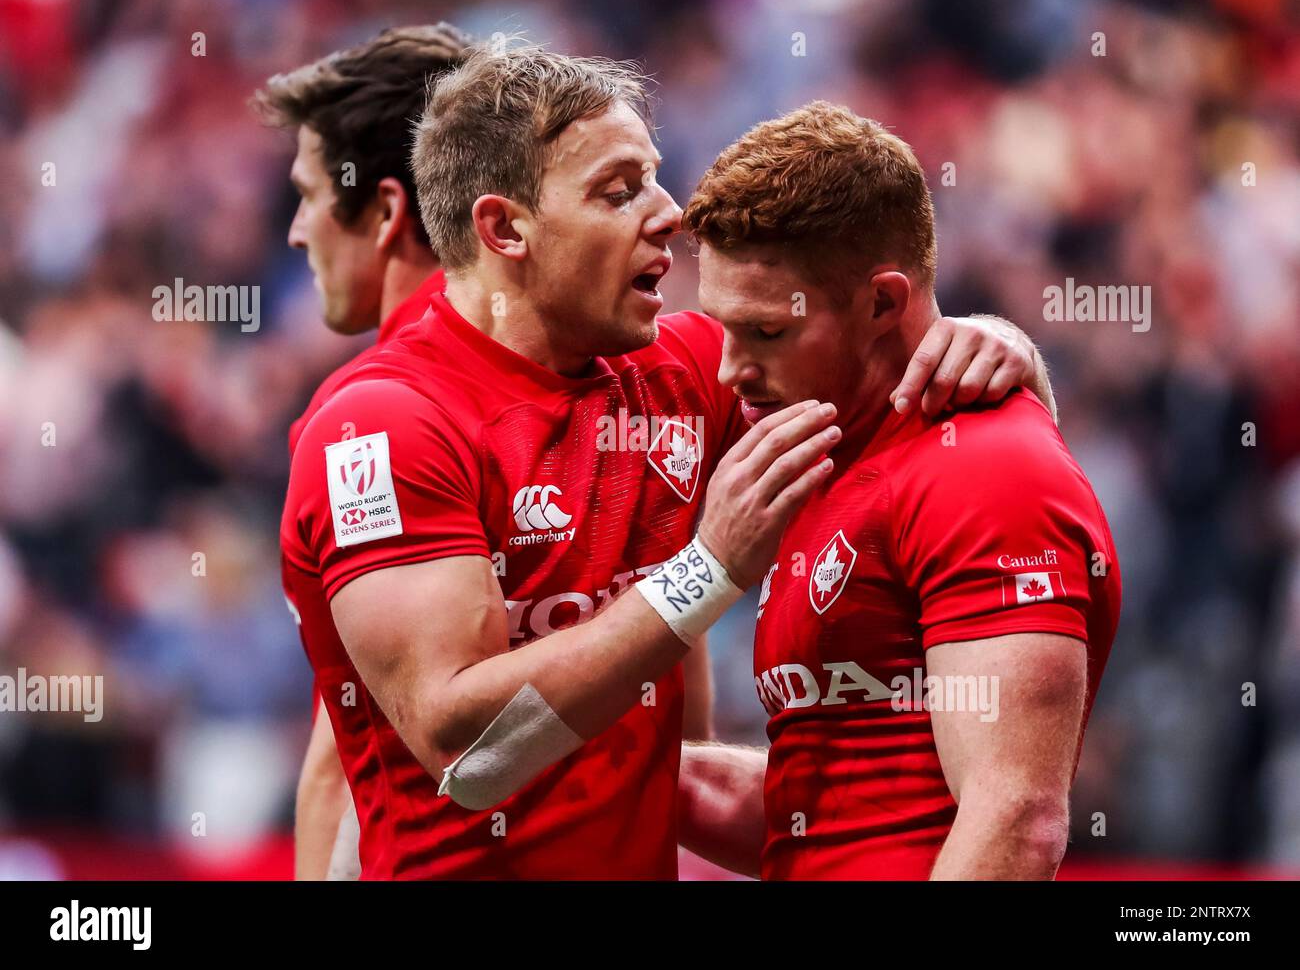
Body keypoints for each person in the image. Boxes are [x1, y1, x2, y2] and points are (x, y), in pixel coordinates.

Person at [281, 43, 1055, 879]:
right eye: (619, 192)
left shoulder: (682, 372)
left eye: (655, 176)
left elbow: (877, 385)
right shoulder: (381, 426)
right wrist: (707, 571)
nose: (669, 213)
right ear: (506, 229)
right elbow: (468, 755)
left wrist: (1001, 349)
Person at [676, 101, 1122, 880]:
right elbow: (830, 820)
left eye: (767, 334)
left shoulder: (985, 470)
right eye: (724, 328)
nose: (730, 371)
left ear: (884, 302)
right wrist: (569, 757)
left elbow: (1016, 819)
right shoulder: (824, 454)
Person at [253, 22, 470, 879]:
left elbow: (342, 760)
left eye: (308, 195)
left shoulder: (364, 418)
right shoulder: (639, 373)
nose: (299, 231)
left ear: (384, 211)